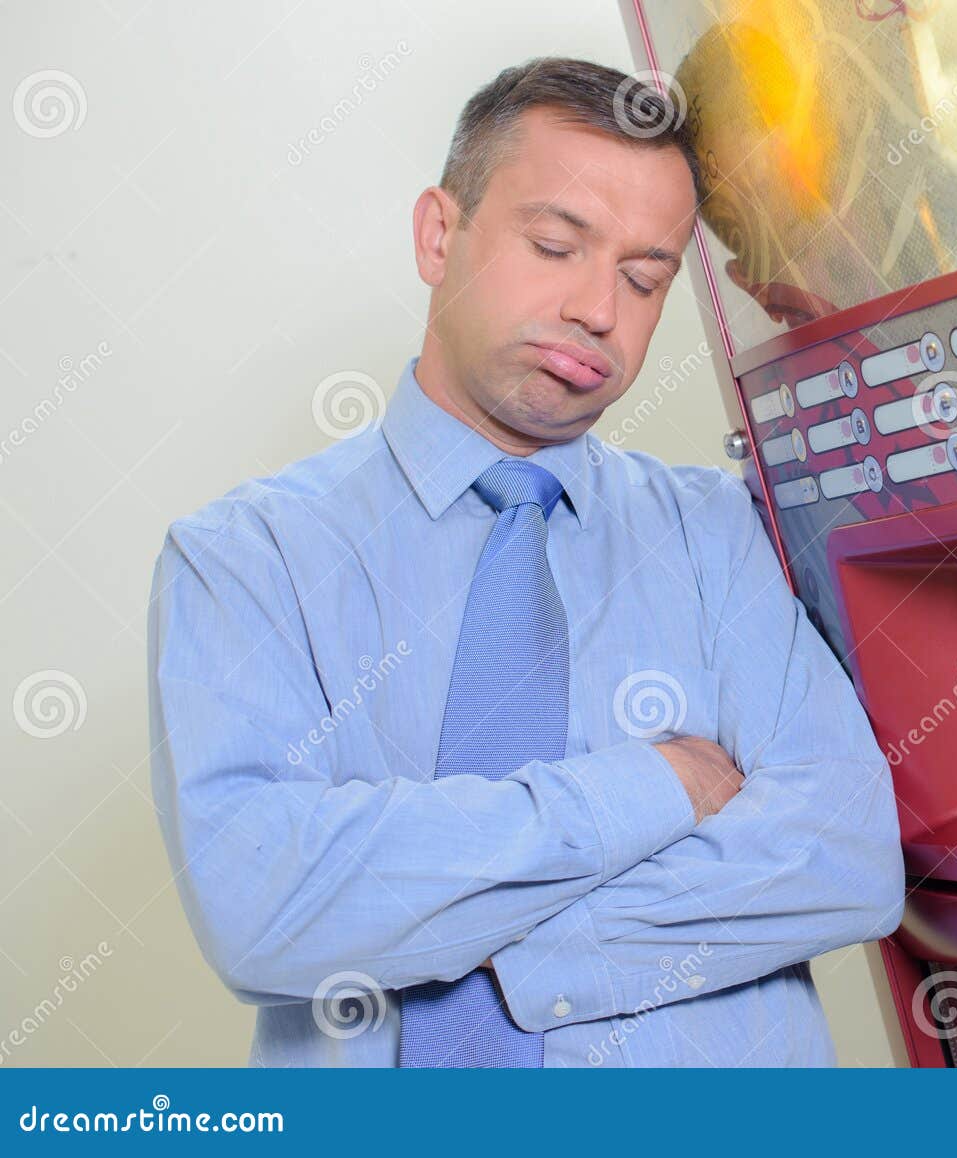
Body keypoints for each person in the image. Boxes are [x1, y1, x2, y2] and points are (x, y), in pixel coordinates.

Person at [146, 56, 905, 1068]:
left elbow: (842, 852)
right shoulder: (244, 560)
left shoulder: (720, 534)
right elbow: (264, 909)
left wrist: (482, 953)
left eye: (645, 277)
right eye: (556, 245)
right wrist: (646, 789)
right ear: (438, 234)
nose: (600, 308)